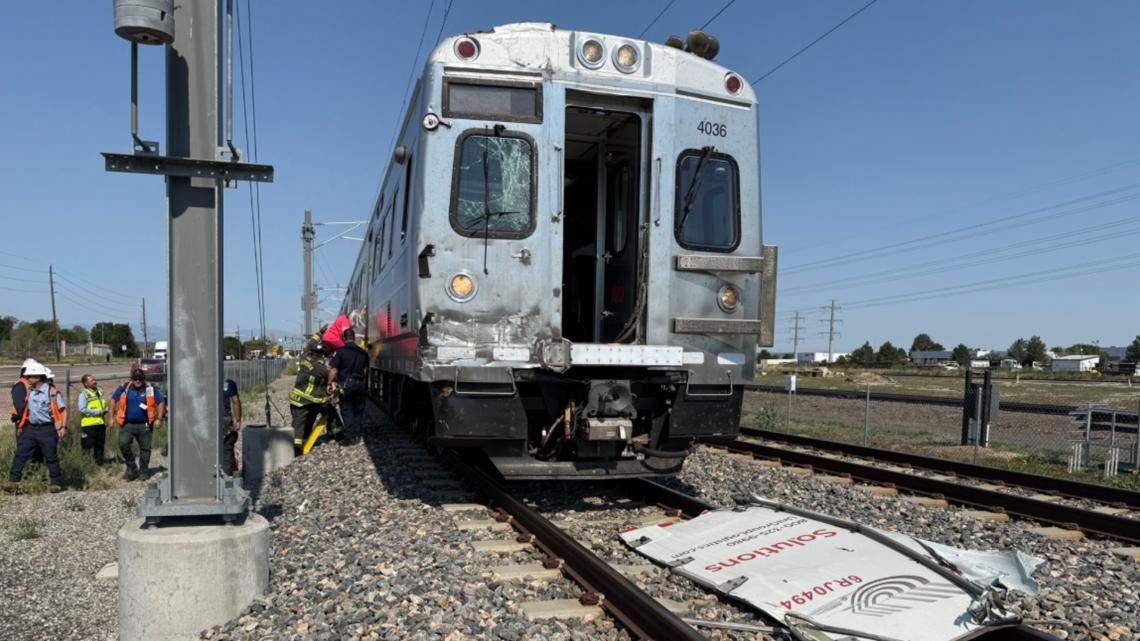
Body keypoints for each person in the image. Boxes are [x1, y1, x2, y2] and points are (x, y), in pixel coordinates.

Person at [6, 360, 66, 493]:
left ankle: (56, 483)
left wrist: (62, 427)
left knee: (51, 456)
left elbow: (62, 411)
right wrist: (22, 426)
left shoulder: (52, 393)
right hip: (30, 428)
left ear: (38, 377)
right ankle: (13, 482)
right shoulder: (29, 391)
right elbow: (27, 411)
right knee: (20, 454)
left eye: (30, 376)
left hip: (47, 429)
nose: (27, 378)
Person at [112, 370, 166, 480]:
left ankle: (144, 471)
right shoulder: (125, 387)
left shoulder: (150, 389)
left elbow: (160, 402)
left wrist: (159, 418)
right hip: (127, 424)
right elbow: (113, 400)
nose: (138, 381)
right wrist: (111, 417)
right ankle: (132, 467)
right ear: (131, 379)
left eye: (140, 379)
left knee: (145, 449)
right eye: (135, 379)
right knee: (123, 444)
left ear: (143, 379)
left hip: (145, 424)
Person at [289, 340, 335, 455]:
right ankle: (337, 433)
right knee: (328, 411)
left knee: (299, 424)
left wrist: (320, 333)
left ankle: (297, 447)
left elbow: (309, 344)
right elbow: (331, 375)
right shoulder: (320, 369)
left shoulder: (304, 358)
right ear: (320, 355)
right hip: (310, 399)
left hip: (297, 400)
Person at [328, 327, 369, 440]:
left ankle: (350, 437)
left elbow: (333, 370)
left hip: (346, 385)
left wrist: (329, 383)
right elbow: (365, 370)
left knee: (347, 410)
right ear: (354, 338)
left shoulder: (340, 352)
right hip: (360, 384)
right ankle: (357, 434)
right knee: (359, 410)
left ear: (343, 338)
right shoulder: (363, 352)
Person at [77, 374, 109, 465]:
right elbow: (82, 409)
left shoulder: (100, 391)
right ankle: (86, 466)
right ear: (86, 383)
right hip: (88, 425)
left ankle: (99, 464)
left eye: (94, 379)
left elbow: (102, 405)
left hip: (100, 423)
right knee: (87, 447)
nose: (95, 381)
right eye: (92, 380)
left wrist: (106, 410)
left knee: (100, 446)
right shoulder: (83, 394)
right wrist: (98, 412)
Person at [222, 377, 242, 476]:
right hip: (224, 417)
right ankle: (226, 477)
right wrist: (238, 420)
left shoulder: (205, 382)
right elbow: (235, 401)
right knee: (227, 448)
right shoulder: (229, 383)